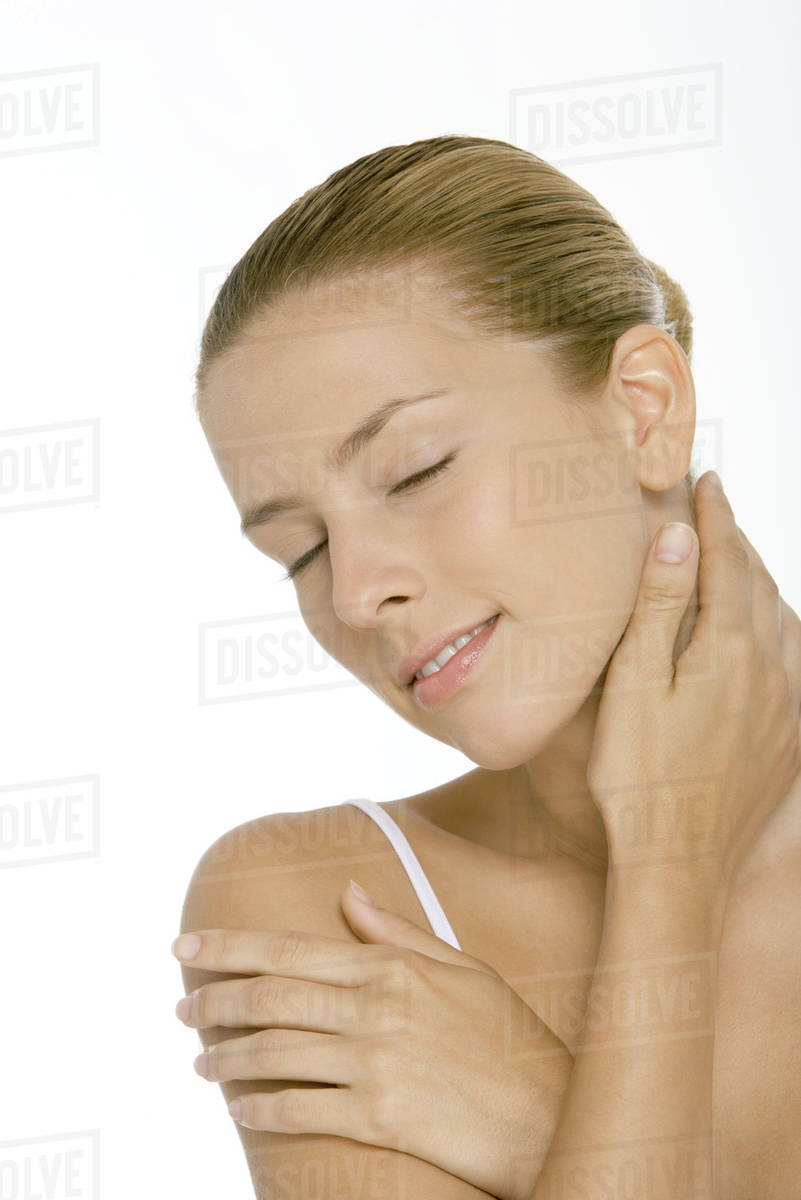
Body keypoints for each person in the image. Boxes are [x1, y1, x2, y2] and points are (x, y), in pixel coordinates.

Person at [173, 135, 801, 1198]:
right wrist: (667, 866)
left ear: (642, 408)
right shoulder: (324, 909)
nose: (358, 591)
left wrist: (528, 1118)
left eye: (414, 470)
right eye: (302, 553)